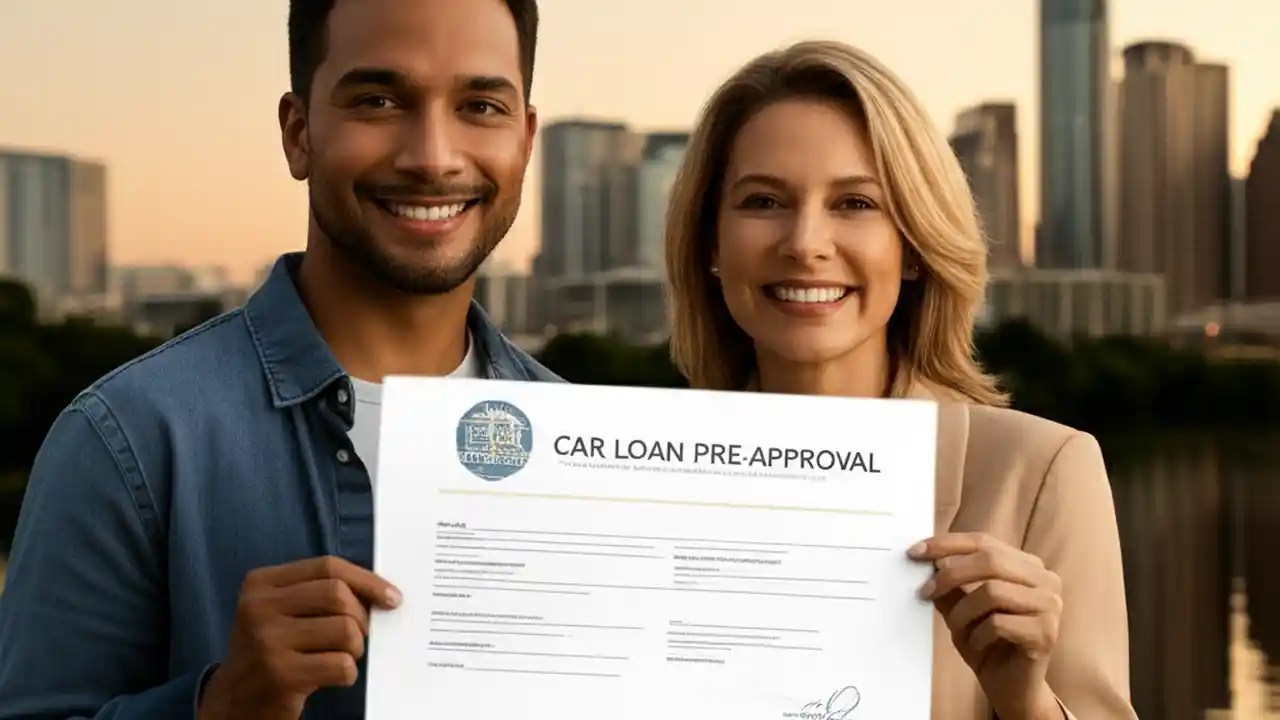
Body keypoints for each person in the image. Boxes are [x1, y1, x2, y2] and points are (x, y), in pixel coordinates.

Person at [0, 0, 553, 717]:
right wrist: (219, 706)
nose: (432, 157)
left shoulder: (585, 448)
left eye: (480, 106)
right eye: (378, 100)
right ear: (298, 134)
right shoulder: (130, 439)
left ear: (525, 141)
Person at [663, 40, 1137, 720]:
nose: (805, 243)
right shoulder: (640, 482)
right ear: (711, 242)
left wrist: (1024, 697)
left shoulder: (1038, 472)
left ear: (913, 246)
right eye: (763, 200)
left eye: (855, 203)